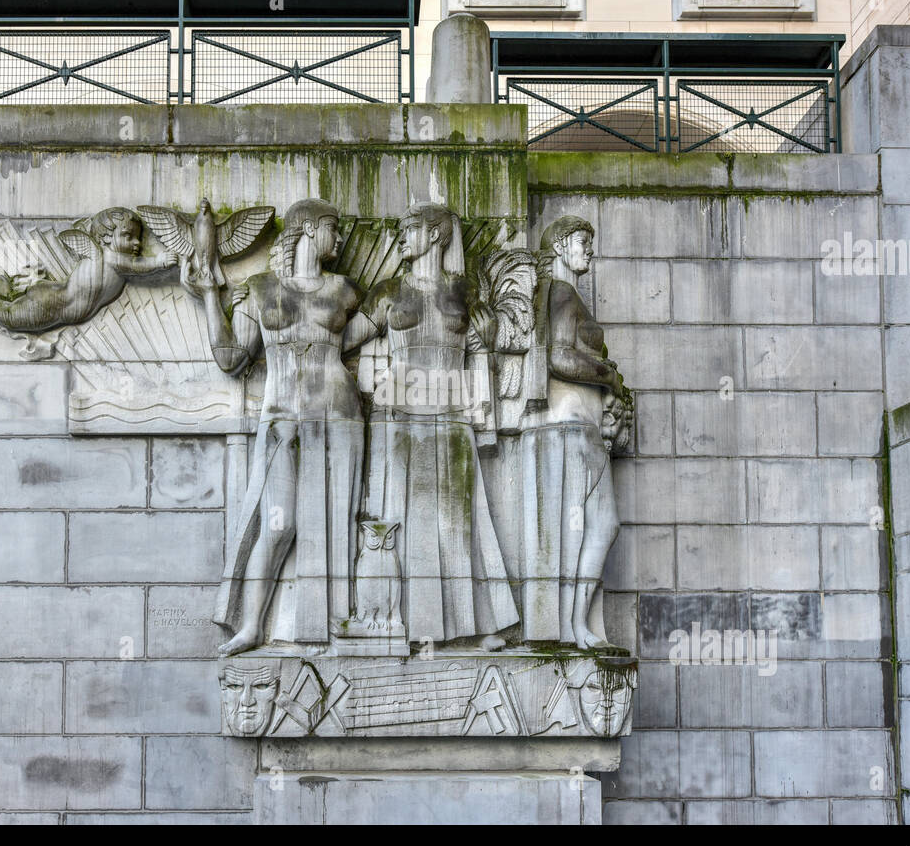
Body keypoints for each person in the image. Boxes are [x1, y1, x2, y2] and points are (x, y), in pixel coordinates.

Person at [187, 198, 365, 655]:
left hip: (339, 417)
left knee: (332, 522)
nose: (339, 238)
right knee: (278, 524)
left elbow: (383, 333)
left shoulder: (346, 291)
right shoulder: (261, 288)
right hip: (281, 417)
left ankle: (327, 624)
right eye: (332, 228)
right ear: (307, 229)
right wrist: (210, 294)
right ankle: (251, 626)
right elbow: (230, 359)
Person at [344, 202, 520, 646]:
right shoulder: (387, 290)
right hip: (396, 417)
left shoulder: (464, 291)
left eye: (411, 229)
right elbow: (343, 340)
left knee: (459, 525)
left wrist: (489, 340)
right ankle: (402, 625)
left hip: (450, 415)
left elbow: (482, 348)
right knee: (400, 522)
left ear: (437, 235)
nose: (401, 236)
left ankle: (475, 627)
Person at [519, 215, 633, 650]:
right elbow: (560, 359)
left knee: (599, 525)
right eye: (583, 241)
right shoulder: (562, 294)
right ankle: (571, 627)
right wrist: (610, 376)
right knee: (587, 527)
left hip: (579, 428)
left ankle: (575, 623)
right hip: (567, 425)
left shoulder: (564, 295)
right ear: (563, 245)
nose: (590, 249)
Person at [0, 207, 176, 332]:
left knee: (9, 296)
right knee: (7, 316)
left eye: (137, 238)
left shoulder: (114, 261)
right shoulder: (111, 258)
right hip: (52, 305)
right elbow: (137, 267)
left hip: (53, 298)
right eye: (128, 236)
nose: (137, 243)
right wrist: (160, 261)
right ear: (106, 238)